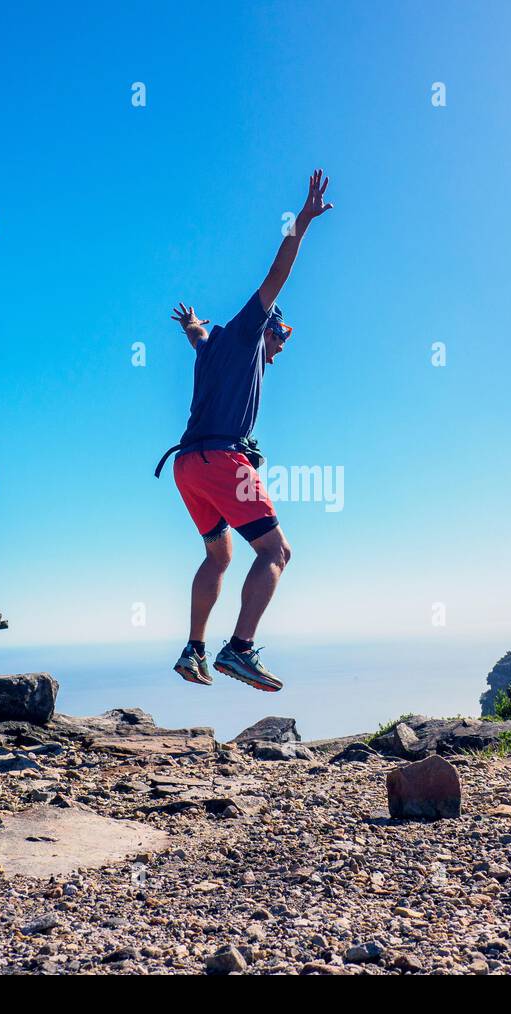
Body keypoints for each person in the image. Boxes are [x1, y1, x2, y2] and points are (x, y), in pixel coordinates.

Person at [155, 169, 334, 692]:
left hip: (187, 465)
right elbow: (278, 272)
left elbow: (196, 335)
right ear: (269, 328)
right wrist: (303, 221)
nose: (281, 350)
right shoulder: (247, 334)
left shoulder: (213, 347)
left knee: (220, 554)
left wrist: (191, 322)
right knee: (276, 551)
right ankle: (239, 650)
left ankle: (193, 651)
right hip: (221, 461)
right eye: (282, 339)